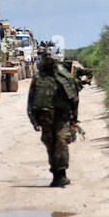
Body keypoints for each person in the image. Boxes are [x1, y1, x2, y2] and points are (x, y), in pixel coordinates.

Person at [28, 46, 79, 188]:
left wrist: (74, 118)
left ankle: (62, 173)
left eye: (50, 56)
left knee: (61, 142)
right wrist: (33, 119)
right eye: (45, 56)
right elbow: (31, 99)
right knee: (50, 144)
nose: (48, 58)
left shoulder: (64, 76)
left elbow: (74, 98)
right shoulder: (38, 77)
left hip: (62, 117)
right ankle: (56, 174)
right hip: (45, 118)